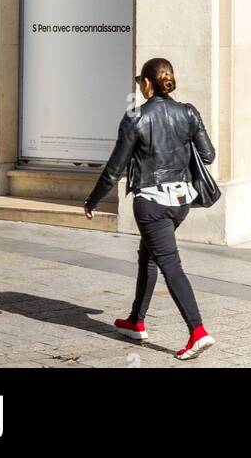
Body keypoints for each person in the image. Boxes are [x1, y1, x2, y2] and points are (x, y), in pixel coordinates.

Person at [83, 56, 216, 360]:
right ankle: (135, 321)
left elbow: (115, 169)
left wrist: (92, 201)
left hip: (151, 203)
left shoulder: (135, 117)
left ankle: (198, 331)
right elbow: (208, 155)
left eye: (139, 82)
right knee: (149, 256)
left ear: (146, 84)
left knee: (169, 263)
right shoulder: (188, 112)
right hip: (181, 202)